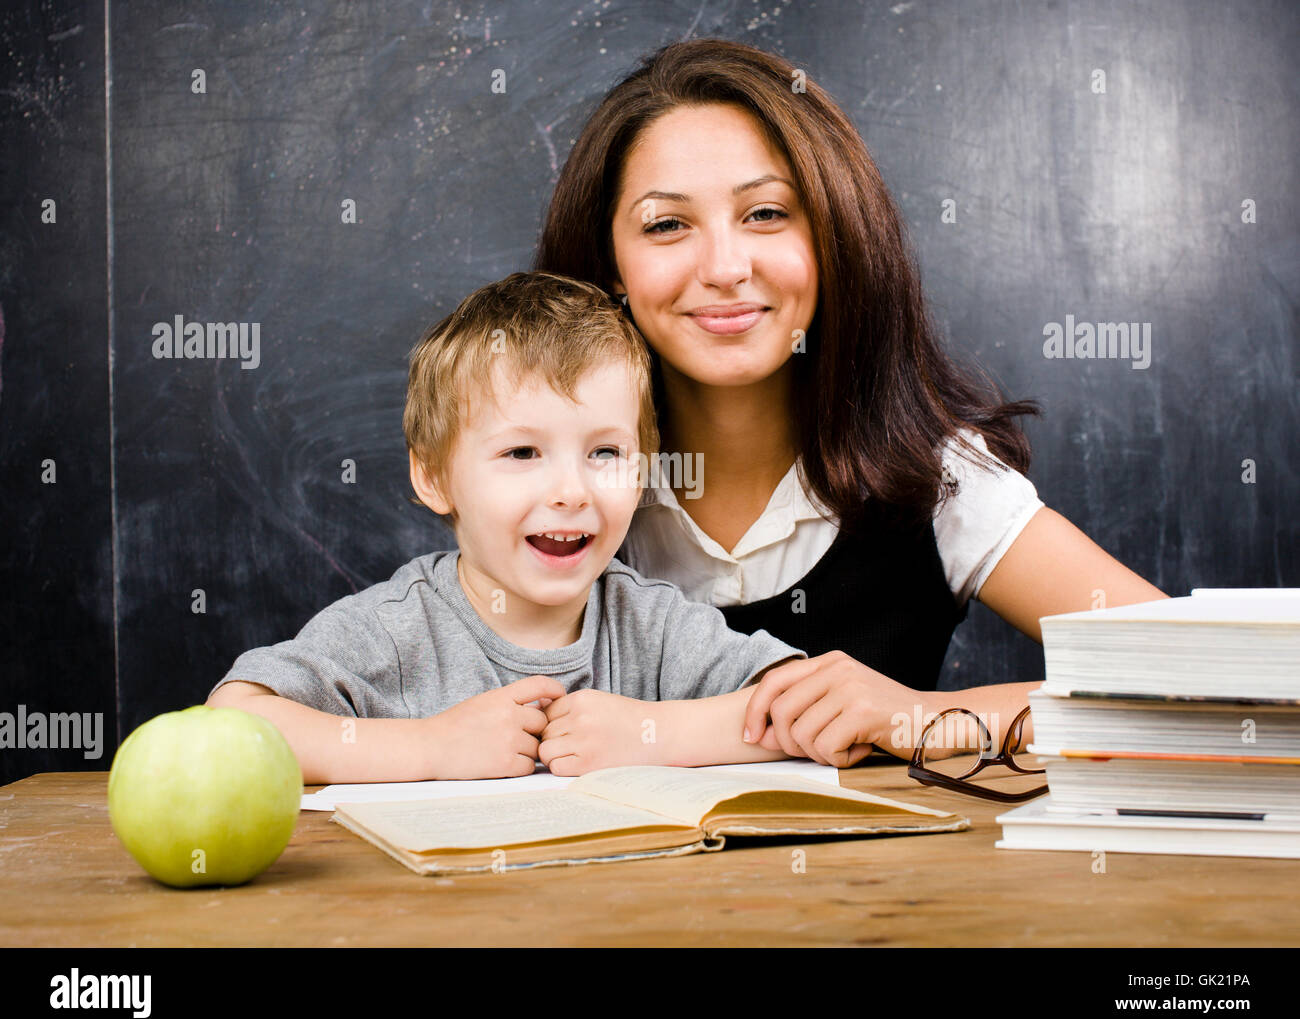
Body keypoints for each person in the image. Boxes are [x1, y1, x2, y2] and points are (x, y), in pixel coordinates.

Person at [533, 38, 1168, 771]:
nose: (725, 268)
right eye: (667, 225)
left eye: (766, 214)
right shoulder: (555, 487)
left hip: (886, 888)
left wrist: (925, 716)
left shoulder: (936, 476)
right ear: (609, 264)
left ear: (836, 236)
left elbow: (1209, 678)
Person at [206, 272, 806, 784]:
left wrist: (656, 735)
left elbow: (807, 705)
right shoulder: (394, 632)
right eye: (522, 453)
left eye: (605, 453)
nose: (571, 492)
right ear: (434, 477)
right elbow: (231, 724)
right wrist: (433, 748)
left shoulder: (651, 626)